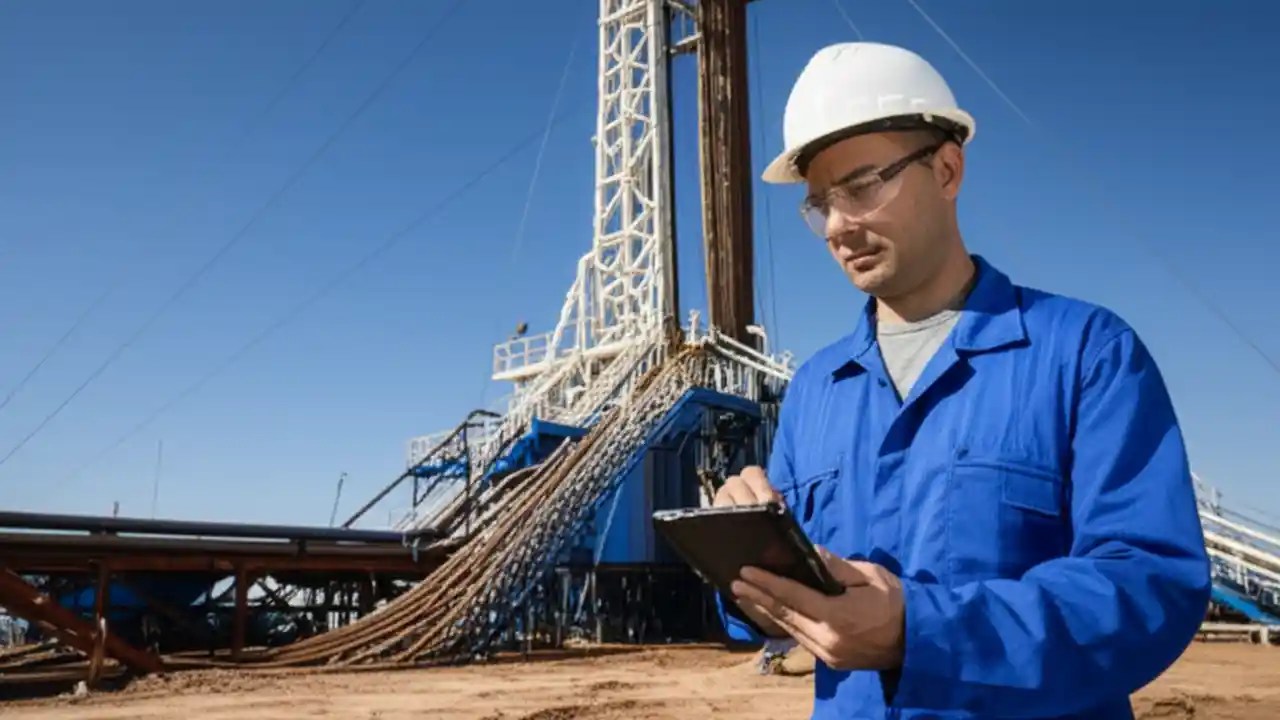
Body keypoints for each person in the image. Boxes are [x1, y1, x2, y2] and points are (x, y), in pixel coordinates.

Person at [714, 41, 1212, 719]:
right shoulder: (816, 389)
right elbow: (786, 610)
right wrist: (746, 569)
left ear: (947, 169)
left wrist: (918, 630)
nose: (837, 226)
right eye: (820, 203)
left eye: (861, 187)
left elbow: (1147, 586)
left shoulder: (1084, 354)